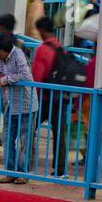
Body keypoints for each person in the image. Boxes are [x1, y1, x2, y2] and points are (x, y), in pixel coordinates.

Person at [0, 32, 34, 183]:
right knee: (7, 139)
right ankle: (10, 172)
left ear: (1, 50)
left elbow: (25, 75)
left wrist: (5, 80)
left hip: (26, 105)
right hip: (9, 105)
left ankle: (22, 174)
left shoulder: (18, 55)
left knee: (25, 141)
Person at [30, 16, 73, 176]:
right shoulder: (61, 48)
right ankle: (60, 169)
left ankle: (23, 162)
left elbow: (37, 75)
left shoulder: (42, 49)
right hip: (59, 97)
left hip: (44, 99)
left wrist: (33, 96)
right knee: (59, 134)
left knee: (28, 129)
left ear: (41, 30)